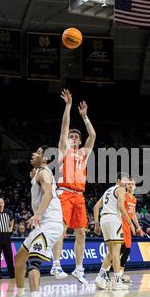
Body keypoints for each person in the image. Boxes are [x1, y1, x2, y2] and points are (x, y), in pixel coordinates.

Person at [2, 147, 63, 297]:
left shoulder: (44, 173)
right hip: (43, 223)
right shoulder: (38, 172)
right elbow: (33, 172)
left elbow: (49, 194)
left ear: (44, 159)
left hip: (50, 223)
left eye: (37, 153)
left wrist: (38, 214)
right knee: (19, 258)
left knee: (33, 261)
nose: (32, 154)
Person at [51, 89, 96, 283]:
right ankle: (56, 265)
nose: (75, 138)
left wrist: (85, 118)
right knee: (61, 230)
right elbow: (64, 127)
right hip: (65, 193)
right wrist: (68, 106)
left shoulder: (83, 154)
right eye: (72, 136)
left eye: (77, 137)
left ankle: (79, 269)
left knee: (81, 233)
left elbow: (92, 136)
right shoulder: (64, 150)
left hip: (79, 195)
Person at [93, 173, 136, 291]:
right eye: (125, 180)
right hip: (113, 219)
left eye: (128, 181)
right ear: (118, 180)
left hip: (104, 220)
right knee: (116, 252)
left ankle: (100, 276)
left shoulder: (108, 190)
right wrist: (131, 223)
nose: (127, 183)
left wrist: (96, 224)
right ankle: (117, 281)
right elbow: (121, 207)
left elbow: (96, 207)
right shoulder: (121, 189)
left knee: (111, 252)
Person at [120, 178, 144, 284]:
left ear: (135, 186)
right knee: (120, 249)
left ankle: (120, 274)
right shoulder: (123, 195)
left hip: (129, 226)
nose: (130, 186)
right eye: (128, 184)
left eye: (132, 184)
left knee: (127, 250)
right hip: (121, 224)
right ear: (126, 186)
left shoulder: (134, 199)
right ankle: (107, 271)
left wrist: (138, 226)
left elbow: (133, 214)